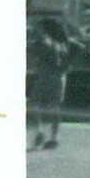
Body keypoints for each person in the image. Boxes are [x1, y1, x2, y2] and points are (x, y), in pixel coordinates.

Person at [29, 17, 78, 150]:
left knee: (33, 105)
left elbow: (38, 53)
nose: (35, 29)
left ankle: (39, 130)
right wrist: (65, 66)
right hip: (60, 77)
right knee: (54, 108)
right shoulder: (63, 42)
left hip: (44, 76)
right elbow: (76, 49)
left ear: (45, 29)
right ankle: (54, 138)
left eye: (38, 27)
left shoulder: (43, 41)